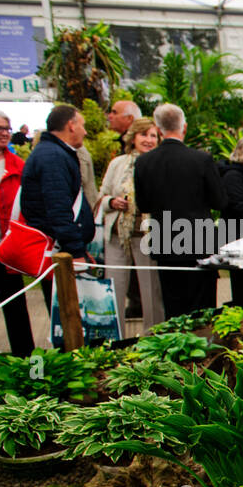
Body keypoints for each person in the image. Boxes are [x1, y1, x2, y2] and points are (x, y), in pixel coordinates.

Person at [134, 102, 225, 319]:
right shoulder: (201, 159)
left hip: (165, 241)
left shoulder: (144, 162)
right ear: (184, 127)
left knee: (173, 308)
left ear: (158, 129)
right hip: (198, 241)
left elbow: (144, 205)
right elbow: (220, 200)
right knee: (203, 308)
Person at [97, 116, 164, 332]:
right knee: (114, 289)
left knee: (151, 292)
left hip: (147, 236)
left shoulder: (160, 164)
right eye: (144, 134)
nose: (148, 139)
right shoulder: (118, 163)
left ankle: (153, 337)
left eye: (153, 135)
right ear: (133, 137)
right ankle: (114, 338)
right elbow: (101, 195)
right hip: (118, 236)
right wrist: (111, 202)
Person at [0, 110, 44, 356]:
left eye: (7, 129)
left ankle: (25, 359)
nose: (4, 133)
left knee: (14, 304)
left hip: (3, 248)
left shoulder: (18, 166)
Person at [20, 103, 95, 264]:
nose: (85, 132)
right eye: (83, 126)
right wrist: (75, 251)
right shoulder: (53, 156)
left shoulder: (53, 152)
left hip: (61, 246)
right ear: (71, 126)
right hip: (59, 249)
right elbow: (59, 209)